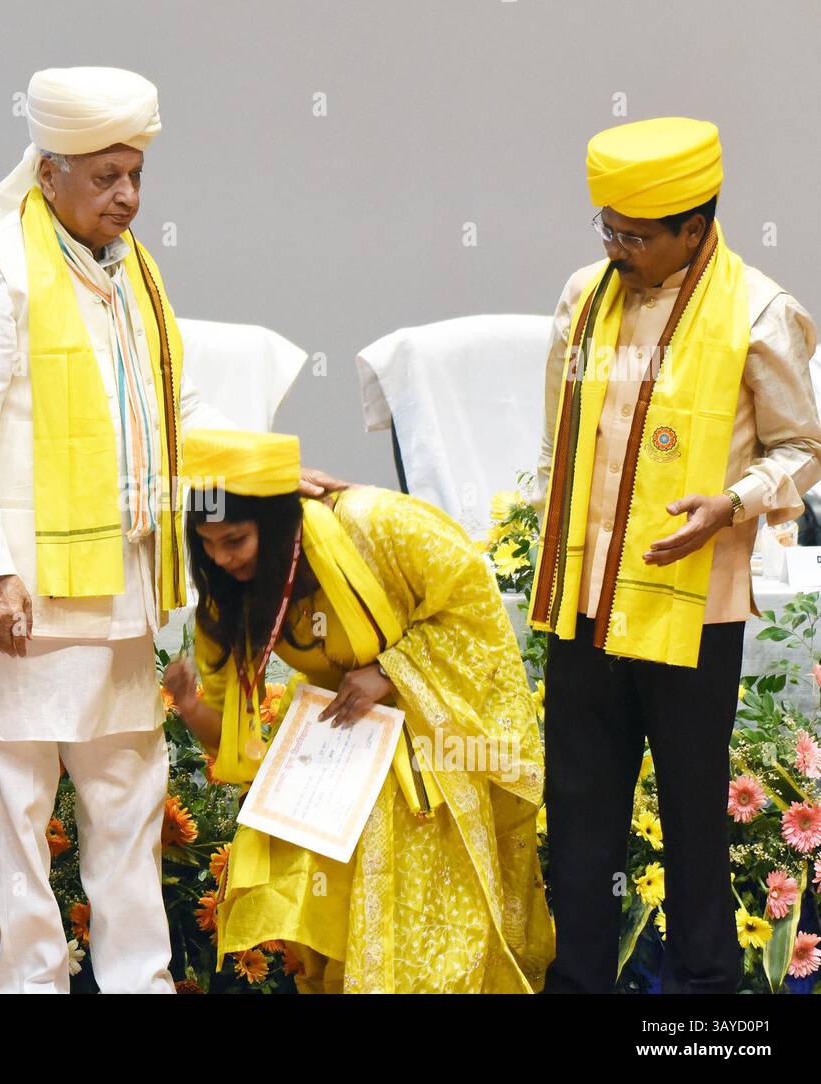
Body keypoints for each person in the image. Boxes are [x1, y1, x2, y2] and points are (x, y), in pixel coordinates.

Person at [0, 66, 341, 993]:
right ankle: (32, 983)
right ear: (49, 168)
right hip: (25, 596)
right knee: (20, 813)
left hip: (123, 593)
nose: (128, 195)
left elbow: (166, 414)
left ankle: (138, 983)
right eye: (105, 175)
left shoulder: (133, 271)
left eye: (136, 173)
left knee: (130, 806)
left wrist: (263, 479)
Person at [530, 117, 821, 993]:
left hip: (695, 603)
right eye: (608, 229)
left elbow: (802, 447)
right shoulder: (584, 296)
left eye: (636, 235)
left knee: (694, 815)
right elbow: (557, 440)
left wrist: (733, 503)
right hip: (585, 599)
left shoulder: (759, 312)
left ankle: (704, 1004)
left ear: (693, 230)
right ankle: (579, 981)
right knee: (580, 816)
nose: (617, 248)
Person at [166, 428, 553, 992]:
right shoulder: (230, 599)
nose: (222, 560)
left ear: (275, 526)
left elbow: (473, 598)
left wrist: (389, 671)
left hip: (427, 749)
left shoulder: (376, 524)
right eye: (208, 544)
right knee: (347, 932)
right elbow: (232, 739)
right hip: (337, 764)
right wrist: (187, 705)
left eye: (236, 540)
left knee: (434, 937)